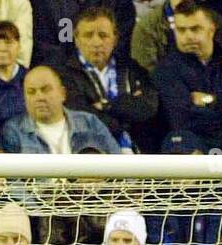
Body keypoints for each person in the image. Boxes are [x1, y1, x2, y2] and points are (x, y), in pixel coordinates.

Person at [152, 1, 222, 154]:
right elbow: (181, 119)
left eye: (195, 29)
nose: (188, 36)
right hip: (192, 148)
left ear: (211, 30)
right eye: (181, 30)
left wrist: (213, 99)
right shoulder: (165, 71)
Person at [50, 6, 159, 153]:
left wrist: (107, 106)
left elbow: (149, 107)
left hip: (138, 149)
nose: (96, 43)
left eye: (103, 35)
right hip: (90, 151)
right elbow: (81, 115)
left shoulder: (132, 69)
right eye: (88, 35)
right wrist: (123, 116)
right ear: (76, 39)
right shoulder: (63, 74)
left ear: (115, 38)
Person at [2, 65, 122, 154]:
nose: (39, 97)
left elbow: (119, 168)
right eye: (31, 92)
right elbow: (14, 183)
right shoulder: (14, 130)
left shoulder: (90, 122)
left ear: (63, 94)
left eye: (45, 90)